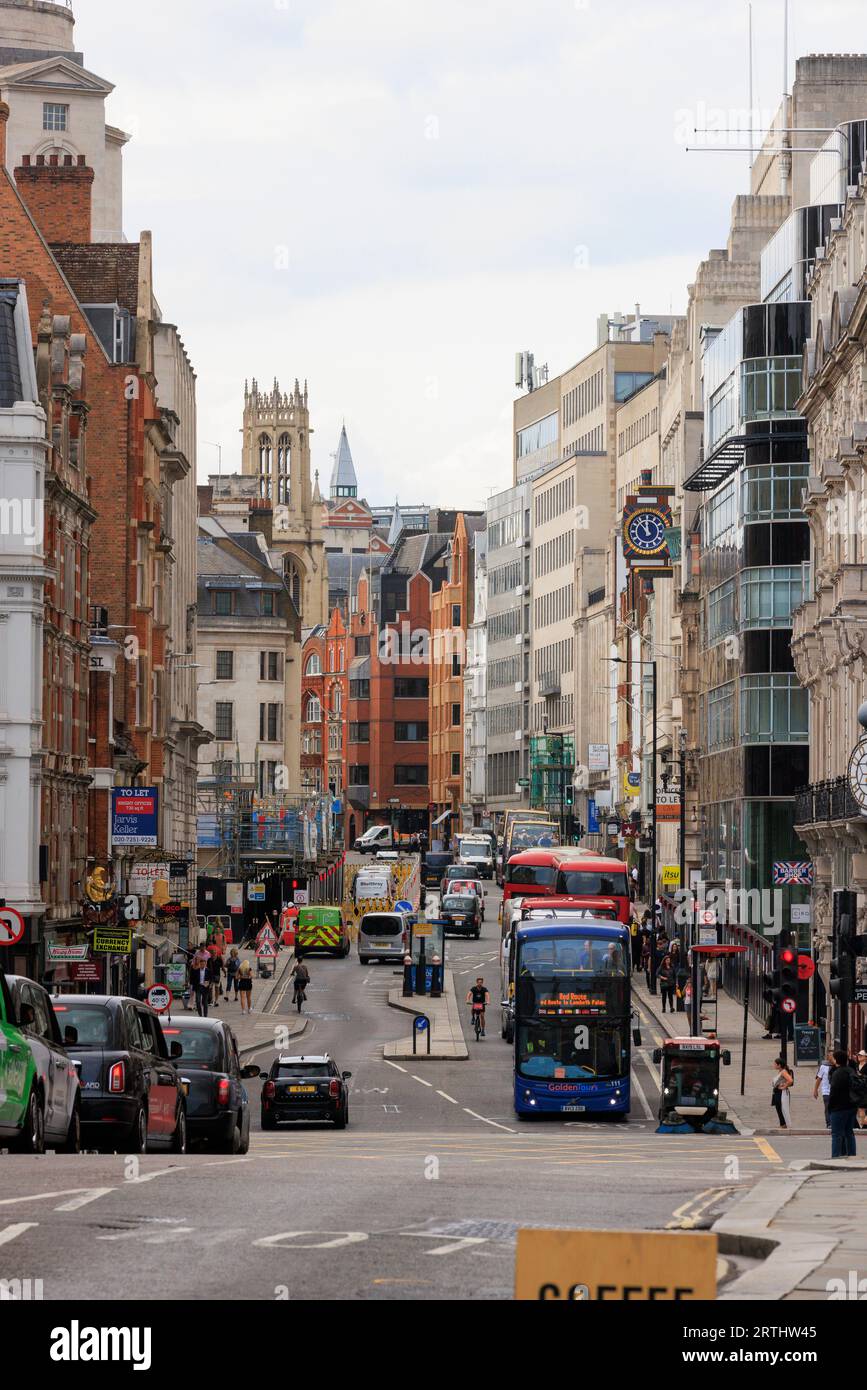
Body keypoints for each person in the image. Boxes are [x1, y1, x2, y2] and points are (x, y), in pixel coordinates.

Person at [828, 1049, 858, 1158]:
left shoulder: (837, 1073)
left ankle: (835, 1157)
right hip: (852, 1106)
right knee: (849, 1133)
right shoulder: (851, 1070)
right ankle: (852, 1155)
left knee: (836, 1134)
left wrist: (830, 1108)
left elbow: (834, 1092)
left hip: (839, 1108)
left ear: (836, 1060)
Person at [814, 1048, 834, 1129]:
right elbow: (819, 1079)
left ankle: (834, 1122)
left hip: (835, 1091)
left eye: (833, 1056)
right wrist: (815, 1090)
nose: (832, 1057)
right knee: (827, 1106)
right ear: (827, 1057)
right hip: (826, 1090)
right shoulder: (823, 1066)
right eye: (830, 1056)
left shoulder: (838, 1066)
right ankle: (829, 1123)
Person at [771, 1056, 794, 1129]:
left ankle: (785, 1124)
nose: (773, 1065)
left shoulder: (783, 1071)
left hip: (782, 1093)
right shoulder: (780, 1071)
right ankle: (782, 1124)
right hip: (777, 1092)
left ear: (779, 1065)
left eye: (775, 1064)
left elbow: (790, 1080)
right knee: (779, 1108)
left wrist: (784, 1086)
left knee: (783, 1108)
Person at [190, 946, 211, 1018]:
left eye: (204, 964)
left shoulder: (208, 971)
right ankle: (200, 1014)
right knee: (198, 1002)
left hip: (205, 987)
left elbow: (211, 978)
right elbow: (192, 979)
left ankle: (205, 1016)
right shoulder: (196, 971)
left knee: (205, 1003)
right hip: (198, 987)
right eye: (201, 964)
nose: (202, 965)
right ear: (200, 964)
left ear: (205, 964)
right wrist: (191, 985)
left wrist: (209, 984)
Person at [857, 1050, 867, 1130]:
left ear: (865, 1057)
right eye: (858, 1055)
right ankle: (863, 1125)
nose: (859, 1057)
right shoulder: (857, 1066)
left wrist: (861, 1075)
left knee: (863, 1107)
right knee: (861, 1108)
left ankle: (864, 1123)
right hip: (859, 1090)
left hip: (865, 1089)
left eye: (861, 1055)